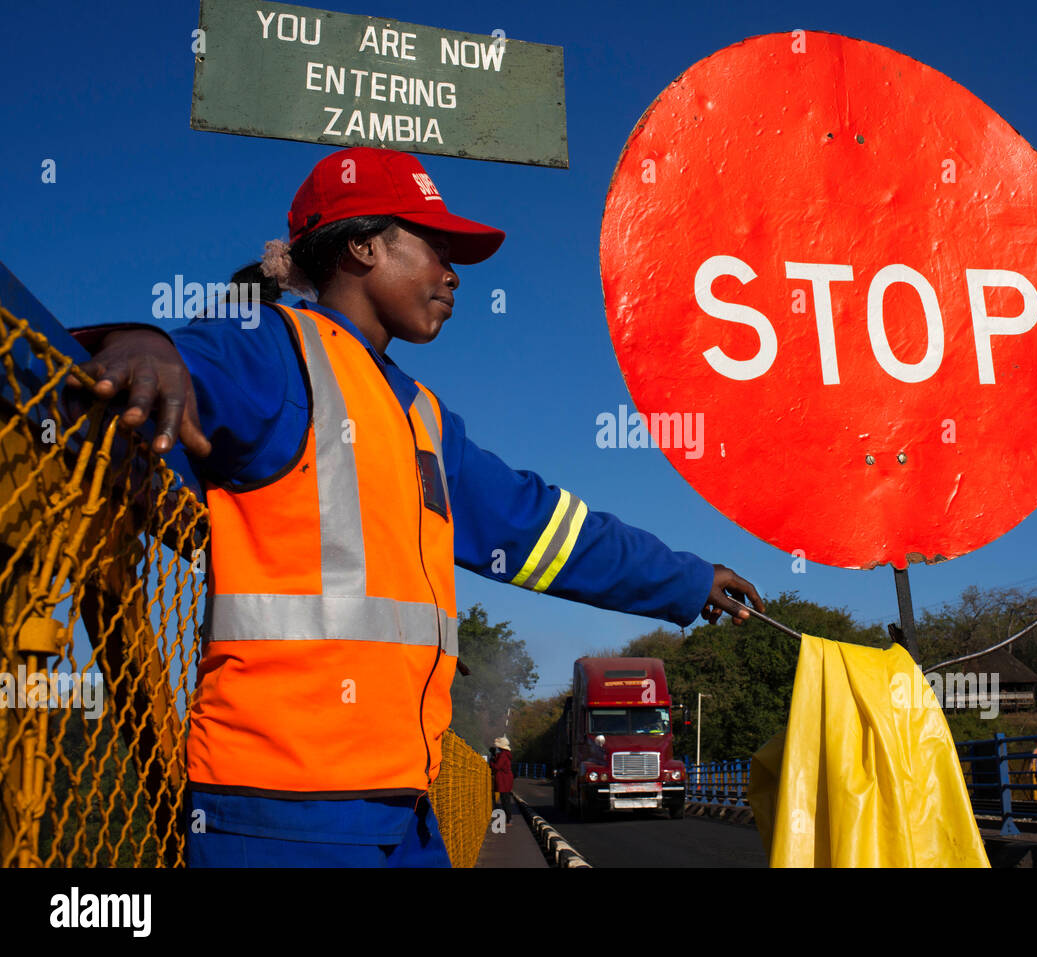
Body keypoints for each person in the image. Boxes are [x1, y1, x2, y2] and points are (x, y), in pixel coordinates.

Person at [70, 146, 763, 868]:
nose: (452, 273)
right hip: (283, 814)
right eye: (436, 246)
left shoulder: (420, 414)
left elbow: (543, 527)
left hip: (404, 808)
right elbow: (178, 358)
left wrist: (686, 579)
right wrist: (144, 344)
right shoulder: (275, 349)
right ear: (365, 245)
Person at [490, 737, 515, 824]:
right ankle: (508, 819)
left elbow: (497, 766)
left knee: (505, 799)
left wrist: (491, 762)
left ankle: (508, 819)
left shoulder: (503, 755)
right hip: (506, 779)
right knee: (506, 799)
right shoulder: (506, 754)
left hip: (503, 779)